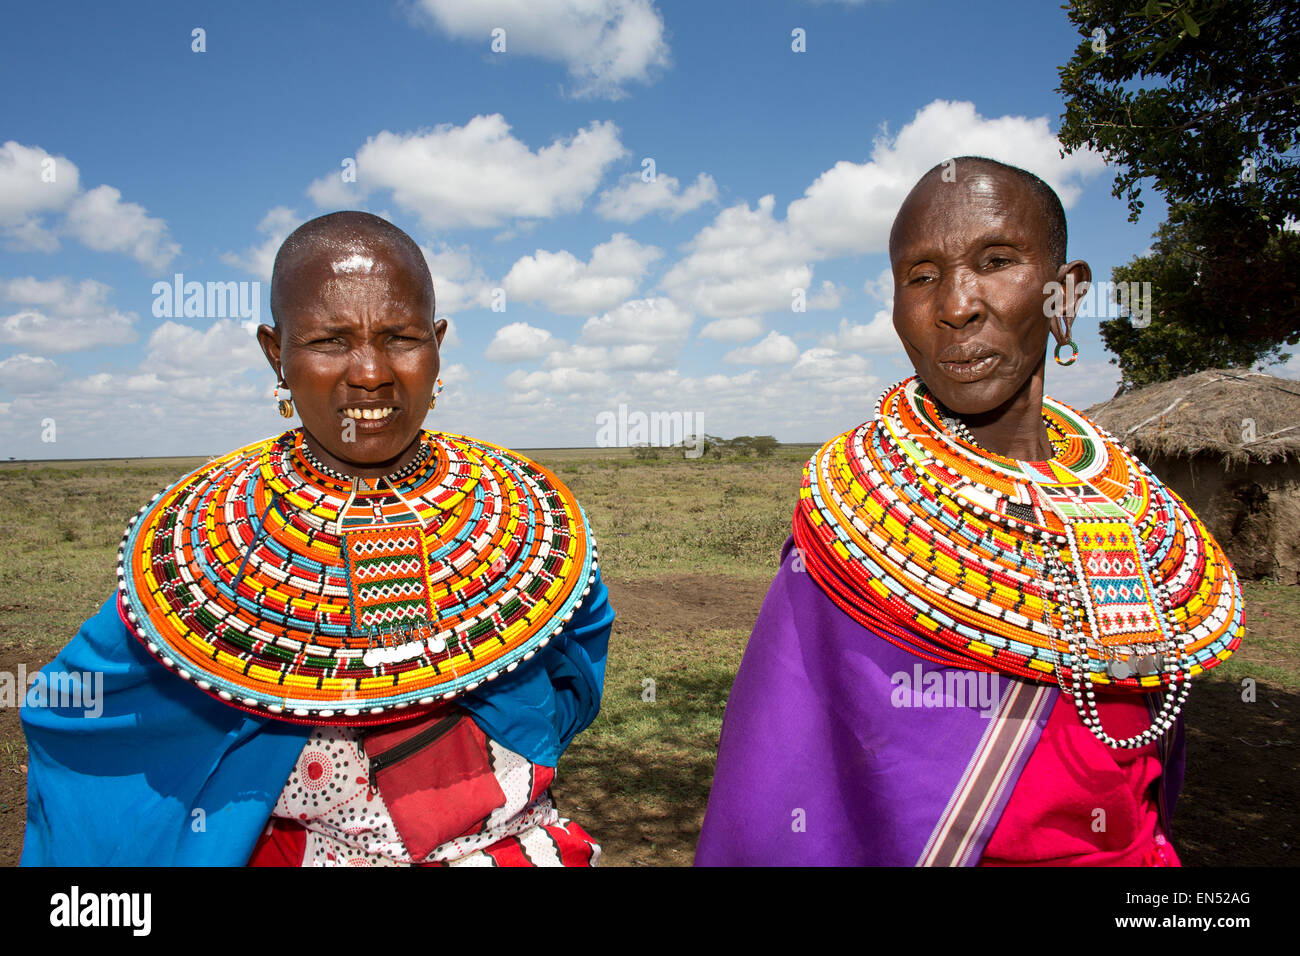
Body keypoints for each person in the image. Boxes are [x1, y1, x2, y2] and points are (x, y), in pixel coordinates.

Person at [695, 157, 1244, 867]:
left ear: (1064, 295)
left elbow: (1134, 759)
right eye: (920, 277)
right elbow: (781, 776)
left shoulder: (1126, 511)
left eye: (996, 261)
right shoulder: (856, 533)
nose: (956, 304)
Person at [21, 211, 614, 866]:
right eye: (331, 341)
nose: (369, 372)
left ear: (438, 344)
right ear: (275, 352)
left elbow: (576, 659)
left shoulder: (519, 521)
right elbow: (77, 706)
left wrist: (511, 728)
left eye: (401, 337)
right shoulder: (214, 549)